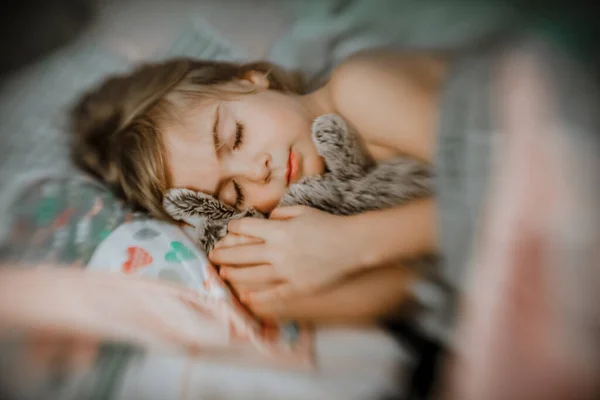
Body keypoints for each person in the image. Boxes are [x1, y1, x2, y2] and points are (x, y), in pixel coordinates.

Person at [70, 51, 451, 325]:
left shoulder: (360, 88)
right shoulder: (319, 209)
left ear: (248, 78)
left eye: (235, 137)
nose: (257, 171)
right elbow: (422, 287)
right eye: (232, 193)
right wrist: (275, 287)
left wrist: (350, 244)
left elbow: (500, 186)